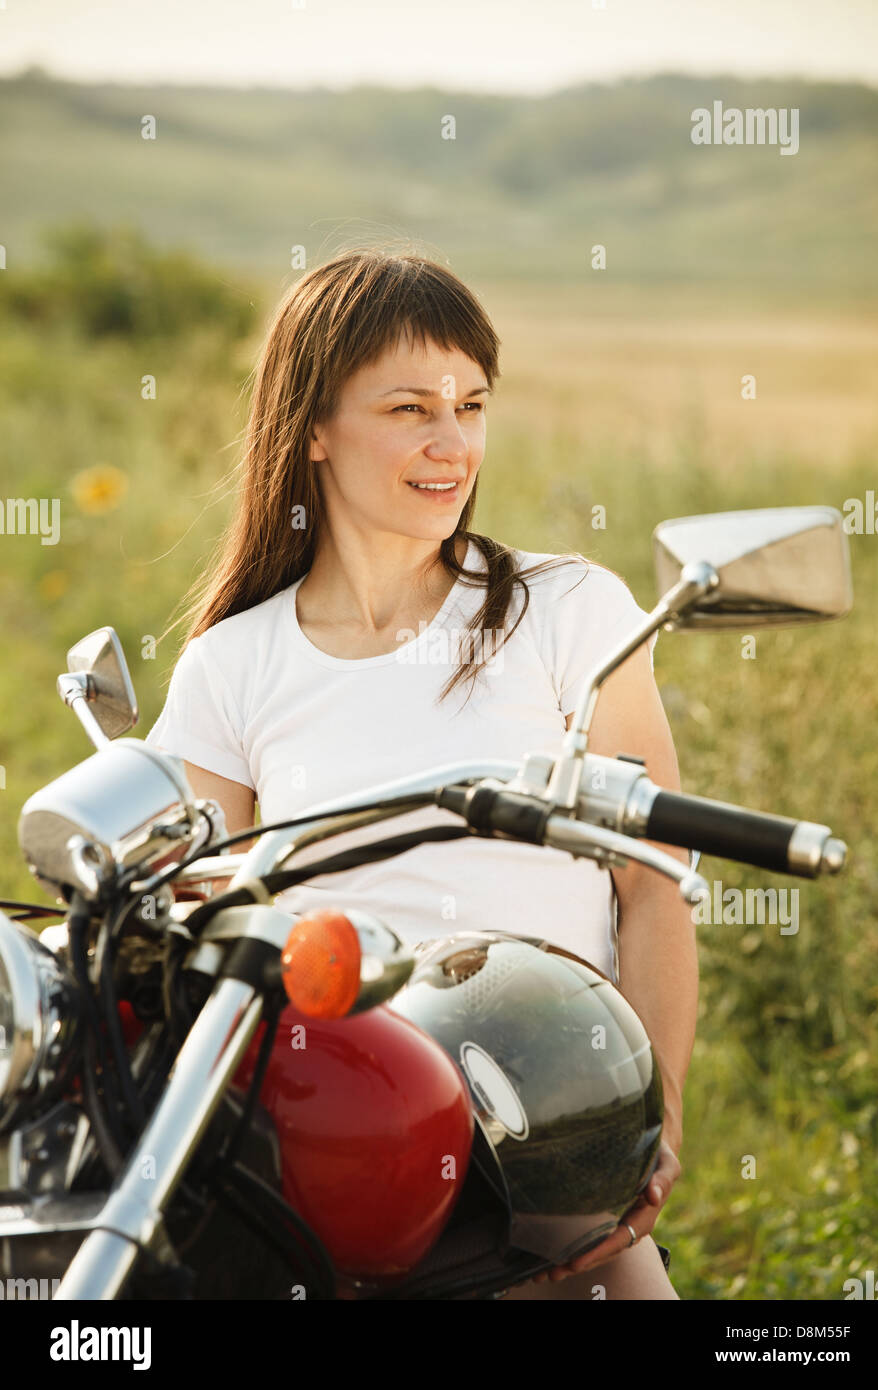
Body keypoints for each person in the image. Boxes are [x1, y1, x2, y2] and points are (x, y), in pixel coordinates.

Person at [145, 246, 697, 1300]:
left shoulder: (568, 609)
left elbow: (651, 883)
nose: (453, 445)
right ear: (311, 427)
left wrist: (651, 1118)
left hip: (551, 1135)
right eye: (409, 409)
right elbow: (193, 920)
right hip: (343, 1146)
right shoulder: (235, 661)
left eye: (472, 405)